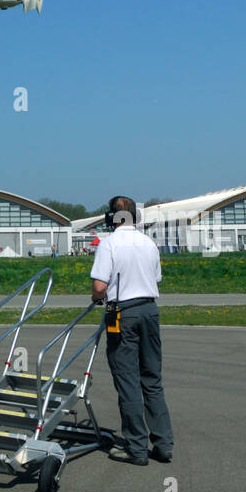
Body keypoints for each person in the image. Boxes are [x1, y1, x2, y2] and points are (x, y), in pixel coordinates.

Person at [91, 195, 174, 466]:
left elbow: (99, 287)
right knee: (151, 378)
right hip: (150, 311)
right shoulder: (149, 243)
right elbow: (156, 278)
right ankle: (162, 444)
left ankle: (136, 447)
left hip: (123, 313)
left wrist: (96, 298)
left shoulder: (109, 244)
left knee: (127, 379)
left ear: (111, 218)